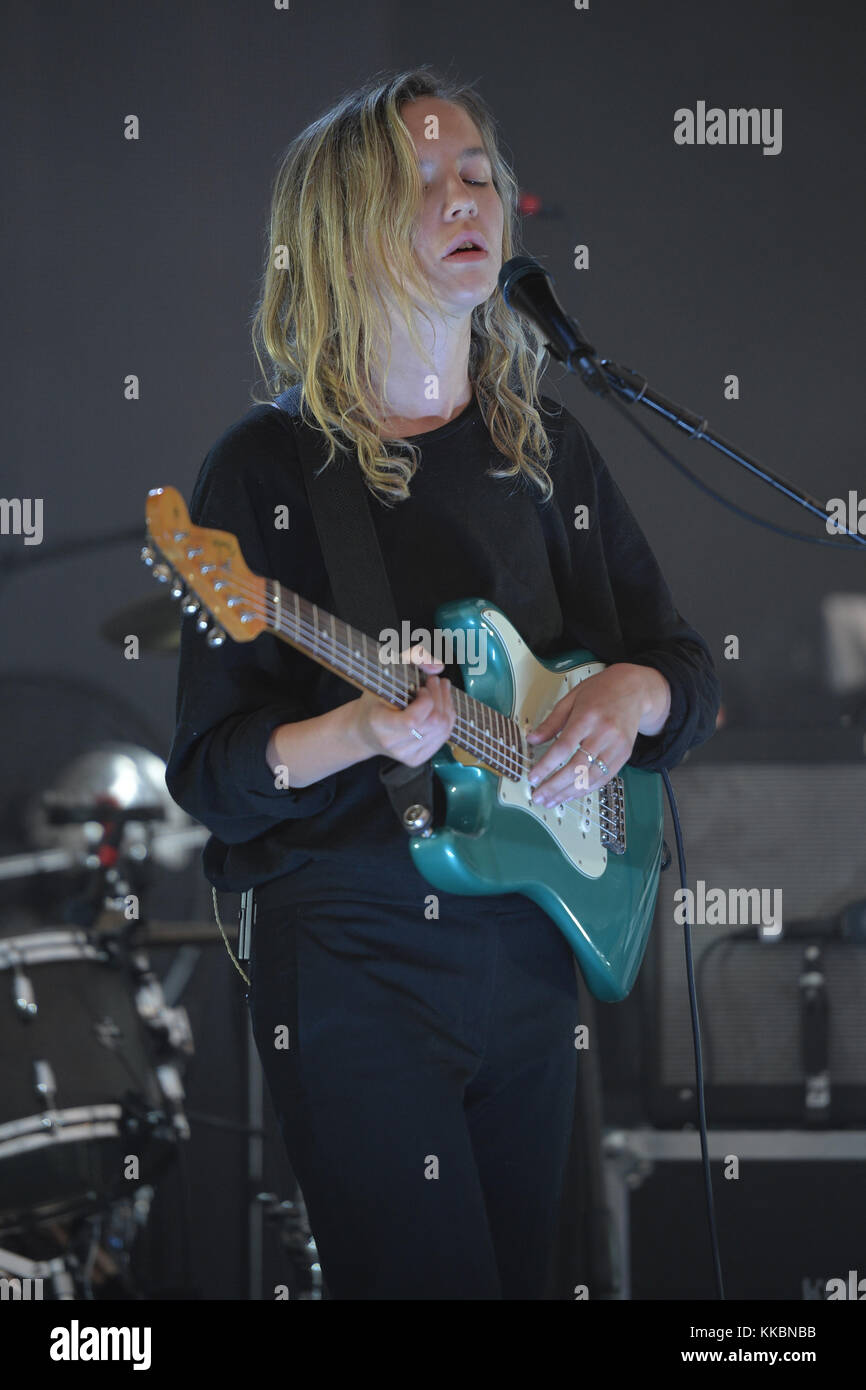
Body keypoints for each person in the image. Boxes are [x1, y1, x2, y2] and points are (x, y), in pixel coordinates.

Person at [165, 66, 721, 1300]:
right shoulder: (267, 465)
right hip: (354, 951)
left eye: (475, 173)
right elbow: (211, 771)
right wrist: (358, 728)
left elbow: (682, 671)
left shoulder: (544, 445)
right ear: (339, 230)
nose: (463, 194)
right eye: (418, 179)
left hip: (527, 948)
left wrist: (628, 698)